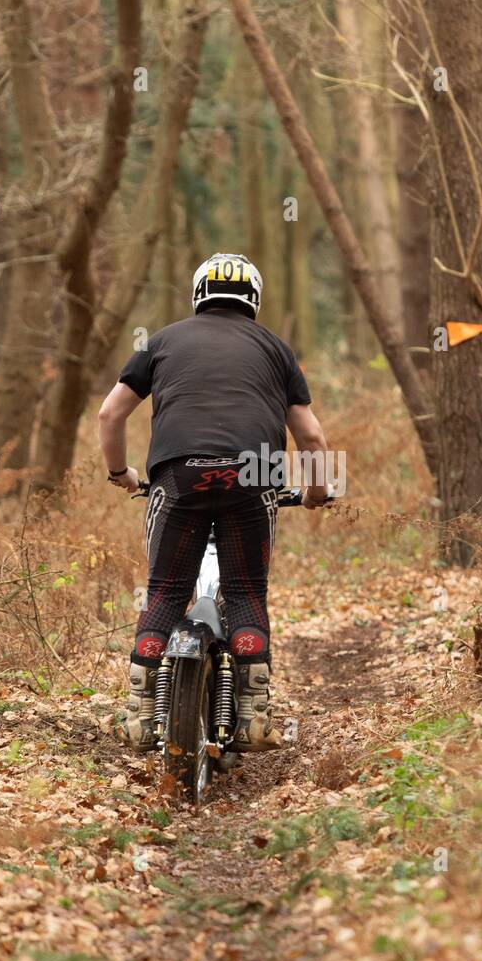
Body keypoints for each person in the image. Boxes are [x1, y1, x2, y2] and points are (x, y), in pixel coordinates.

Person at [98, 252, 330, 751]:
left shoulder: (162, 341)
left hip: (178, 473)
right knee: (246, 591)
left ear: (199, 294)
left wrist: (120, 473)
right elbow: (310, 436)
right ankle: (253, 716)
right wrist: (316, 491)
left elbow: (109, 414)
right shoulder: (275, 349)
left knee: (163, 592)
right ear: (254, 300)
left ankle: (139, 715)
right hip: (255, 474)